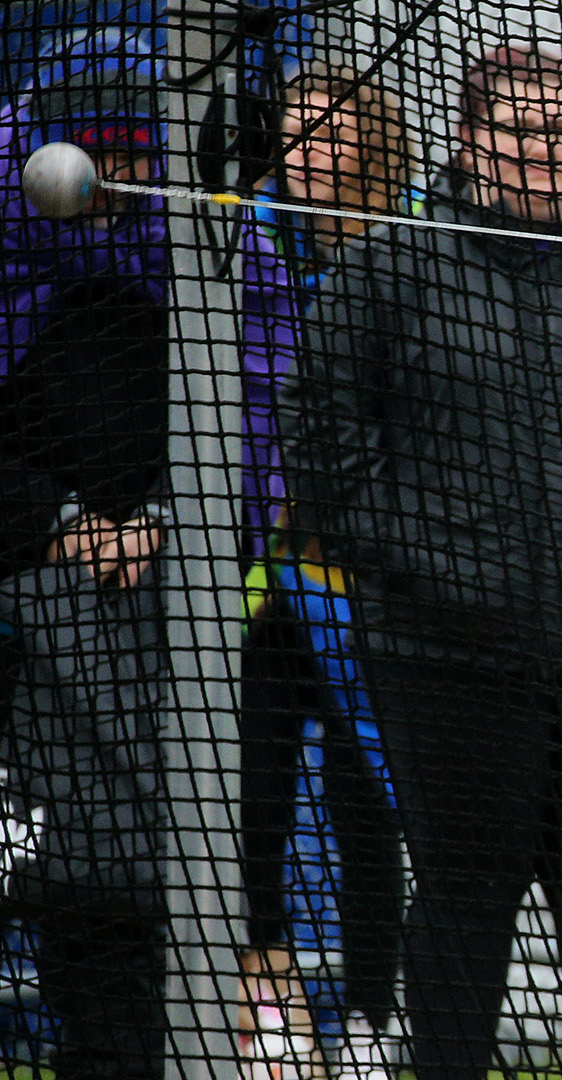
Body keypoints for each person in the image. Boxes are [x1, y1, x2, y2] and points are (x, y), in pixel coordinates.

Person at [283, 42, 562, 1080]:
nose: (544, 152)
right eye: (520, 130)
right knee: (464, 890)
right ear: (468, 139)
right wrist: (429, 566)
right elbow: (325, 446)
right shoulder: (389, 265)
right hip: (446, 651)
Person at [0, 29, 300, 1080]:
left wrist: (170, 522)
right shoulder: (12, 229)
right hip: (29, 590)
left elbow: (260, 416)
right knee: (67, 841)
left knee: (174, 843)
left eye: (140, 155)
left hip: (176, 590)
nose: (118, 179)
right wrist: (58, 522)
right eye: (101, 154)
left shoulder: (221, 244)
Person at [243, 62, 417, 1080]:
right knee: (252, 797)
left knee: (368, 808)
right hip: (267, 580)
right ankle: (271, 1017)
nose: (309, 147)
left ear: (372, 146)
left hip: (372, 582)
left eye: (331, 131)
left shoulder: (401, 248)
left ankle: (368, 1021)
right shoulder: (245, 235)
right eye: (296, 130)